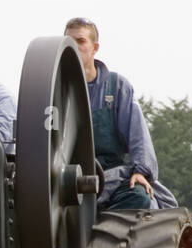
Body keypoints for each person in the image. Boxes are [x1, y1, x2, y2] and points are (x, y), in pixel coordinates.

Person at [64, 17, 176, 212]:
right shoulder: (55, 91)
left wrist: (141, 171)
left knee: (139, 196)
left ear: (95, 47)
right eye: (69, 41)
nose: (74, 46)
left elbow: (138, 136)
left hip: (110, 176)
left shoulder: (116, 87)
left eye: (80, 41)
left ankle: (107, 232)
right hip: (66, 181)